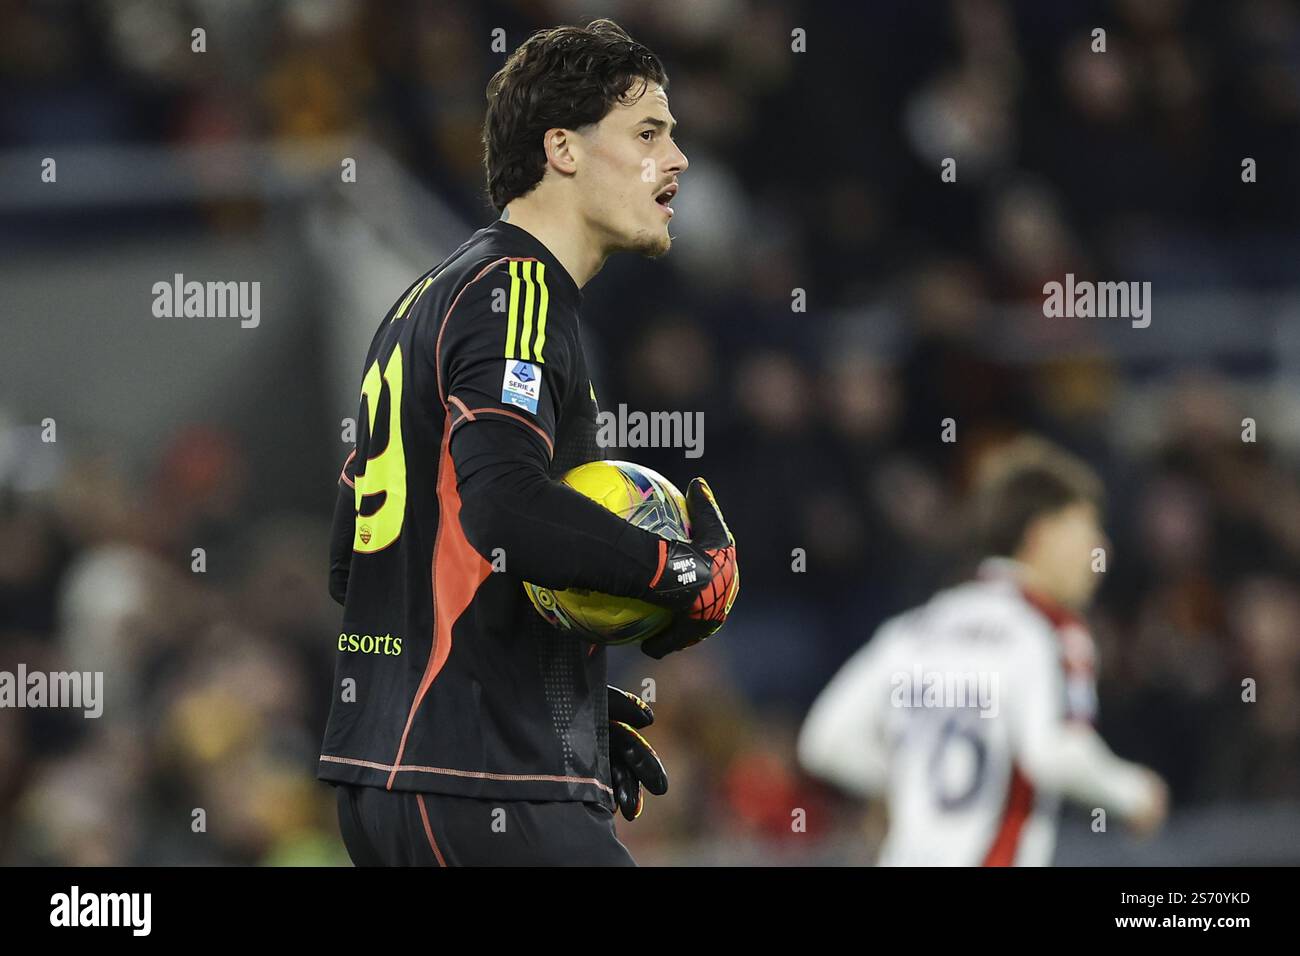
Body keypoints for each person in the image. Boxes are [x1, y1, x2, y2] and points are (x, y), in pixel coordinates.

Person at [320, 19, 739, 866]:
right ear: (564, 150)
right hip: (477, 784)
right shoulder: (518, 292)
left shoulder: (423, 300)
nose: (679, 158)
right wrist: (682, 572)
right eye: (650, 132)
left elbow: (356, 560)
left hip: (403, 780)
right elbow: (507, 509)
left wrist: (562, 700)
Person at [798, 437, 1166, 865]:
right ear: (1040, 534)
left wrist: (906, 781)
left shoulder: (915, 629)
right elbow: (1053, 751)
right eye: (1086, 528)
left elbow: (823, 742)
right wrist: (1133, 791)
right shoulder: (1050, 628)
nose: (1100, 549)